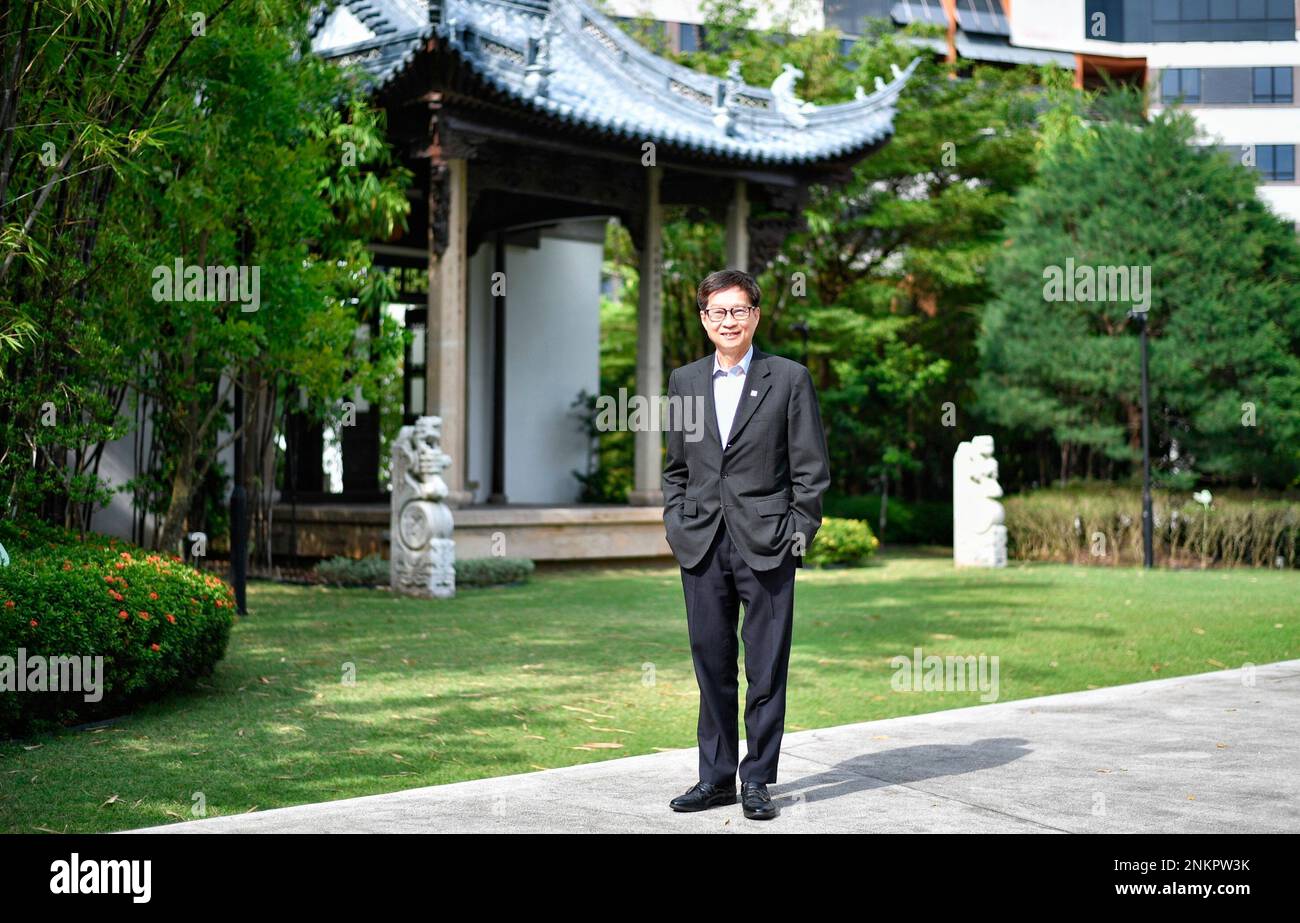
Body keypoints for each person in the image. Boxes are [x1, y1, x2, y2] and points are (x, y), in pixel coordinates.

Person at [661, 268, 831, 820]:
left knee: (765, 667)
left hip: (768, 543)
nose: (727, 320)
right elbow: (676, 468)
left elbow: (811, 469)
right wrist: (676, 523)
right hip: (703, 545)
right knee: (711, 665)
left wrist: (798, 532)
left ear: (756, 315)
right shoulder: (684, 381)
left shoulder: (788, 378)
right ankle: (715, 780)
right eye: (717, 311)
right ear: (704, 318)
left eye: (738, 310)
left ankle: (757, 780)